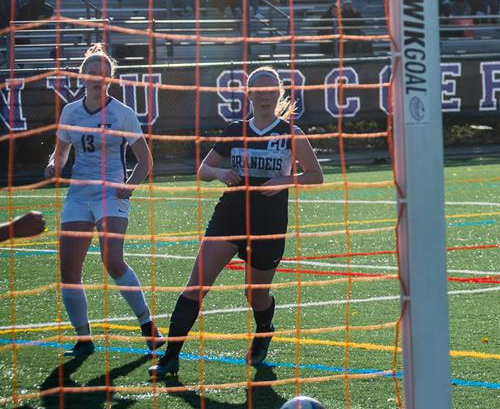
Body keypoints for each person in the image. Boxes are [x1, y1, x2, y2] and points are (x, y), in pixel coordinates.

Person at [150, 67, 324, 379]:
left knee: (255, 294)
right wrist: (219, 173)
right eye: (260, 90)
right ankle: (170, 358)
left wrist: (286, 179)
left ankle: (263, 330)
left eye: (272, 90)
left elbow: (315, 175)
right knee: (196, 285)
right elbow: (204, 169)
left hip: (268, 223)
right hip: (230, 217)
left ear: (280, 94)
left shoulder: (290, 133)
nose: (267, 95)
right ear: (249, 94)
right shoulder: (234, 130)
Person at [47, 46, 161, 357]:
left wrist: (131, 185)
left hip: (111, 193)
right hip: (79, 194)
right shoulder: (71, 111)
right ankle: (83, 339)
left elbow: (145, 160)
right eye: (93, 73)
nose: (99, 78)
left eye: (104, 73)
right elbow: (61, 152)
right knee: (69, 268)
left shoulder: (121, 113)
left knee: (112, 260)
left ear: (110, 78)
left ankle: (148, 326)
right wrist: (54, 164)